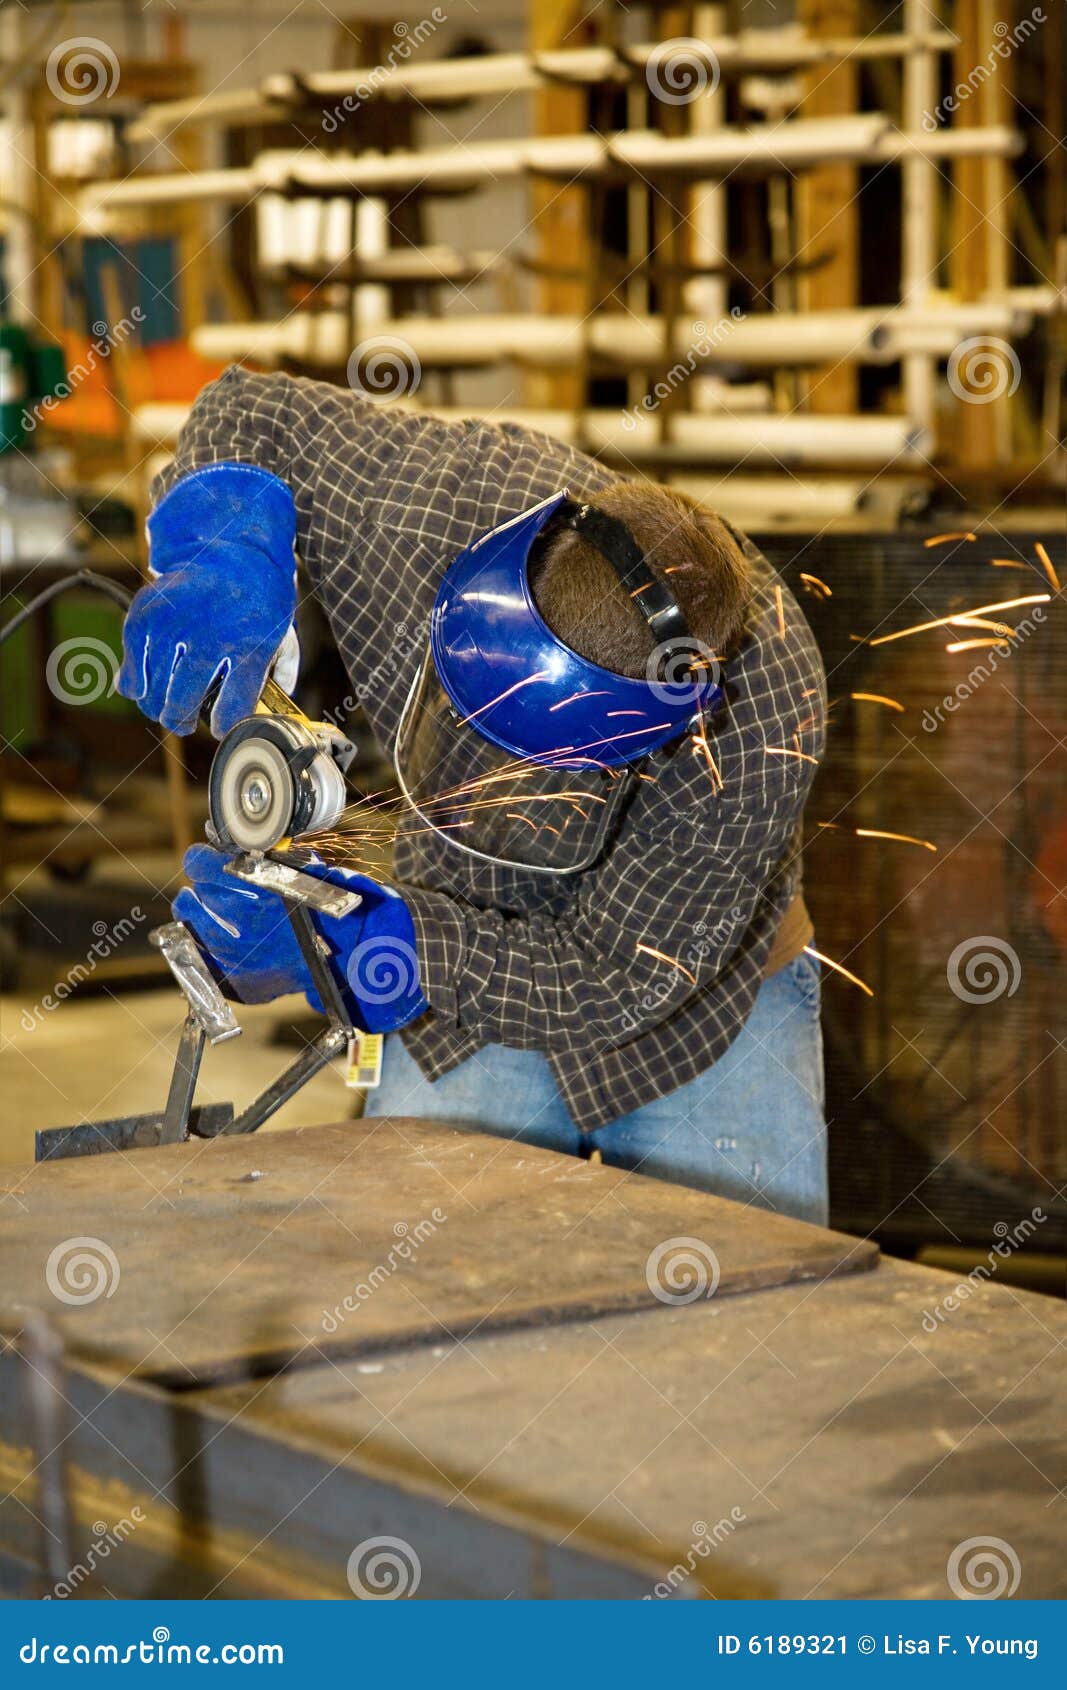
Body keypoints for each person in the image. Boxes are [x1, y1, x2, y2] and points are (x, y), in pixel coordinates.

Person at [118, 365, 828, 1224]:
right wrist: (221, 550)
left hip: (699, 1009)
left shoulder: (764, 710)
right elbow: (250, 408)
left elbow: (617, 978)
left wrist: (394, 952)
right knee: (421, 1281)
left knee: (758, 1288)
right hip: (464, 979)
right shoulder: (444, 498)